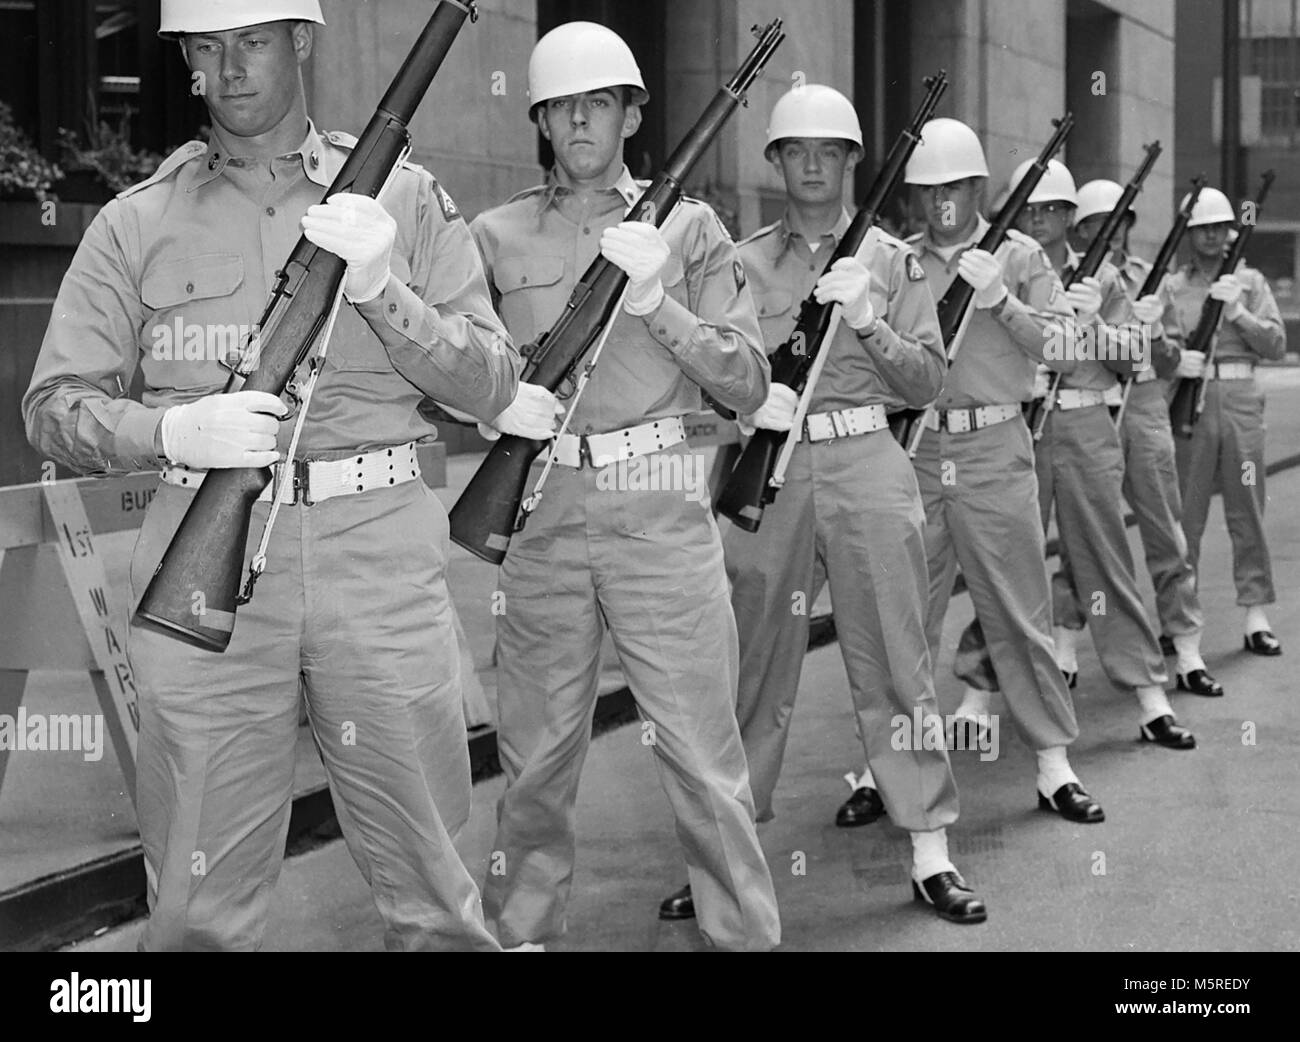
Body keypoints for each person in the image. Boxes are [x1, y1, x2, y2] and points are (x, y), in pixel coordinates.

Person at [23, 0, 529, 951]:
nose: (231, 68)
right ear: (185, 61)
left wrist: (386, 292)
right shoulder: (139, 221)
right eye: (205, 48)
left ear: (301, 41)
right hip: (199, 552)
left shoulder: (406, 202)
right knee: (196, 904)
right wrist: (174, 426)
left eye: (252, 41)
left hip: (375, 554)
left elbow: (494, 385)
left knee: (431, 889)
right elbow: (54, 406)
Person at [469, 21, 780, 952]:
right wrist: (491, 409)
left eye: (598, 103)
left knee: (699, 753)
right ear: (539, 118)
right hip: (543, 513)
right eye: (561, 106)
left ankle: (743, 938)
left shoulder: (689, 227)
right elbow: (465, 370)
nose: (578, 122)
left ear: (631, 113)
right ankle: (523, 933)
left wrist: (659, 304)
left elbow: (750, 381)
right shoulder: (493, 232)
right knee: (534, 761)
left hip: (658, 503)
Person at [661, 85, 985, 927]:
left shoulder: (892, 261)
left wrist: (872, 320)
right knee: (752, 662)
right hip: (771, 465)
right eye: (795, 150)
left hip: (867, 459)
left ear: (851, 163)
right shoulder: (740, 260)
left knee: (896, 658)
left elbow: (927, 380)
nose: (811, 164)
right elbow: (707, 368)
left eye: (828, 151)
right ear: (774, 162)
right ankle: (728, 857)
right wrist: (742, 410)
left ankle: (929, 848)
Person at [901, 121, 1109, 824]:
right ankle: (895, 763)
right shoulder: (895, 261)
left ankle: (1052, 761)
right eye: (928, 191)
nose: (943, 205)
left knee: (1019, 611)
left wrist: (999, 300)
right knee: (906, 616)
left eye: (955, 188)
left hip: (995, 446)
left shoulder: (1019, 257)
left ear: (978, 188)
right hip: (922, 448)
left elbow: (1065, 345)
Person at [952, 159, 1195, 750]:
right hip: (1016, 427)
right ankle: (976, 695)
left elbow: (1134, 355)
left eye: (1052, 210)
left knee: (1105, 557)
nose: (1039, 220)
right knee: (1003, 565)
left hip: (1084, 421)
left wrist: (1090, 324)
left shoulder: (1105, 279)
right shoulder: (996, 264)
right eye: (1029, 208)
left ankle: (1147, 692)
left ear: (1070, 218)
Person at [1067, 179, 1222, 696]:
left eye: (1117, 224)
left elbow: (1175, 355)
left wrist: (1154, 336)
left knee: (1165, 532)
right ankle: (1066, 645)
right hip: (1092, 408)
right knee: (1085, 535)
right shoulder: (1068, 279)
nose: (1109, 235)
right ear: (1081, 229)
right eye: (1095, 225)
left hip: (1146, 407)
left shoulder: (1150, 281)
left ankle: (1185, 647)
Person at [1163, 186, 1287, 655]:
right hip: (1191, 401)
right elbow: (1161, 346)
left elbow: (1275, 344)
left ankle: (1255, 615)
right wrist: (1176, 364)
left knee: (1246, 509)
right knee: (1184, 518)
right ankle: (1178, 617)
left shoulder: (1251, 282)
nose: (1212, 236)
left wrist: (1238, 313)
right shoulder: (1174, 287)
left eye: (1219, 227)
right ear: (1190, 235)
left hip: (1239, 400)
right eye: (1202, 229)